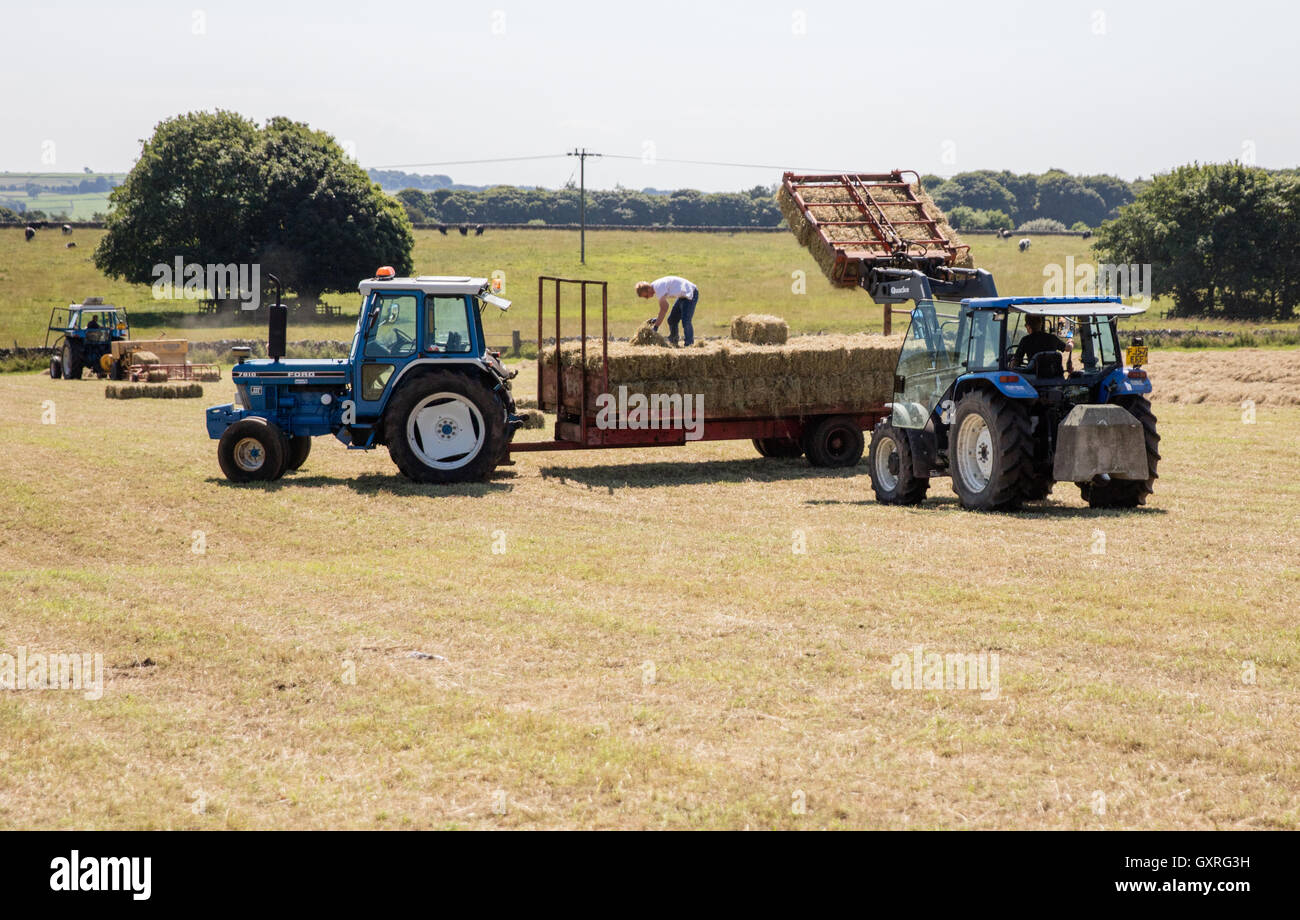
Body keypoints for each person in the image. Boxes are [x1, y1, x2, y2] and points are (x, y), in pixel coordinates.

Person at [636, 276, 699, 347]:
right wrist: (658, 319)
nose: (647, 298)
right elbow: (664, 308)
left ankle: (689, 344)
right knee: (672, 320)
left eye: (646, 296)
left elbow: (664, 308)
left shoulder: (658, 288)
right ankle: (674, 341)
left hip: (691, 293)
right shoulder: (656, 286)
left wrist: (656, 326)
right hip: (683, 296)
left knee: (686, 320)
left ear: (648, 289)